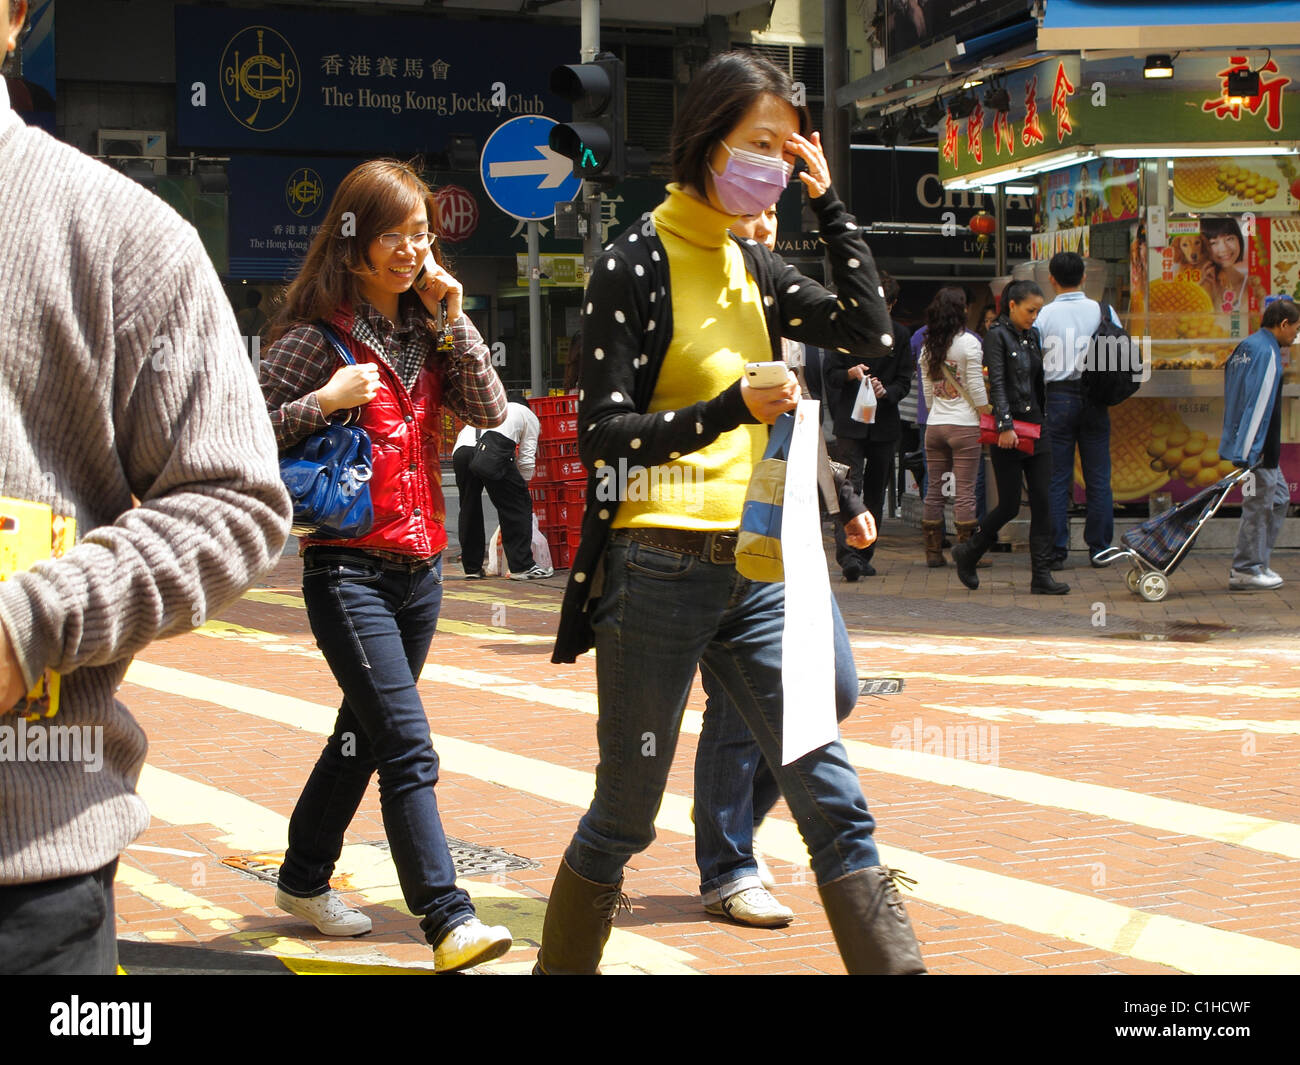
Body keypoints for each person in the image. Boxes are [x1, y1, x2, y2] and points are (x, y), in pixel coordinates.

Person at [539, 50, 925, 975]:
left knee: (833, 796)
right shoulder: (631, 261)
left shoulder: (756, 264)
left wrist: (832, 208)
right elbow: (603, 436)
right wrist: (727, 412)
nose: (776, 167)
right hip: (657, 563)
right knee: (625, 809)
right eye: (761, 145)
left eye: (787, 152)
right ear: (707, 142)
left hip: (762, 567)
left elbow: (872, 334)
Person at [0, 0, 292, 975]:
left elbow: (235, 500)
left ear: (14, 15)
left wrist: (24, 628)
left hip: (26, 876)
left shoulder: (124, 239)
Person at [259, 158, 514, 973]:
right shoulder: (310, 338)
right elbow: (240, 437)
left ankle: (301, 877)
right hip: (345, 569)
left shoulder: (425, 329)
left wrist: (455, 315)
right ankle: (448, 915)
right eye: (394, 235)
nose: (411, 251)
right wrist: (326, 402)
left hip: (422, 568)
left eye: (421, 236)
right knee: (407, 744)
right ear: (354, 241)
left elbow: (490, 412)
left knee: (363, 736)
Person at [687, 204, 863, 928]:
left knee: (837, 688)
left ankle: (733, 837)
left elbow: (805, 417)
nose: (761, 218)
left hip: (793, 523)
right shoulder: (700, 309)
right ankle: (727, 865)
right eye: (744, 203)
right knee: (739, 701)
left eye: (769, 206)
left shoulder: (795, 308)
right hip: (727, 529)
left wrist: (845, 496)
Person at [953, 280, 1069, 595]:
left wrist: (1040, 420)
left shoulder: (1033, 335)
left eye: (1038, 311)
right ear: (1013, 305)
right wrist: (1005, 424)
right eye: (1031, 310)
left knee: (1043, 501)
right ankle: (970, 551)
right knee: (1008, 505)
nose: (1035, 316)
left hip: (1037, 426)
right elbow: (1000, 382)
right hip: (1010, 428)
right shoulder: (997, 336)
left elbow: (1035, 382)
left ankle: (1041, 576)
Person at [825, 270, 915, 580]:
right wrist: (850, 373)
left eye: (885, 305)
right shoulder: (846, 333)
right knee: (849, 486)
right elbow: (830, 376)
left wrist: (886, 391)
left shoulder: (901, 336)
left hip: (884, 424)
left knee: (877, 491)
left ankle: (864, 554)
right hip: (850, 422)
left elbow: (905, 379)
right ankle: (848, 555)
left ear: (892, 305)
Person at [1036, 251, 1120, 570]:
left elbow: (1035, 361)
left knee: (1057, 478)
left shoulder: (1043, 316)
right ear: (1084, 277)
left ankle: (1057, 549)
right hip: (1096, 400)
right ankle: (1100, 548)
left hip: (1056, 398)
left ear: (1051, 279)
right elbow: (1119, 351)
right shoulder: (1104, 311)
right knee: (1098, 478)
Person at [1221, 298, 1299, 591]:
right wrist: (1250, 451)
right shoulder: (1267, 352)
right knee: (1258, 505)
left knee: (1277, 499)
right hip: (1259, 449)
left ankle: (1257, 562)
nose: (1295, 335)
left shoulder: (1247, 347)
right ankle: (1246, 568)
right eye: (1295, 328)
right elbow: (1259, 404)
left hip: (1256, 446)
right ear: (1283, 324)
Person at [919, 287, 987, 567]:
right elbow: (976, 386)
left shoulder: (928, 346)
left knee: (935, 489)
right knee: (965, 491)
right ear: (962, 311)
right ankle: (966, 555)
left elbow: (926, 389)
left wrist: (937, 412)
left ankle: (933, 553)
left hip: (935, 426)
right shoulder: (969, 344)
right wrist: (984, 413)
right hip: (965, 426)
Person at [452, 394, 552, 580]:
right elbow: (527, 457)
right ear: (526, 406)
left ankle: (472, 568)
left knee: (469, 508)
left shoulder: (490, 409)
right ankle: (521, 566)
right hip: (492, 451)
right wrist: (522, 485)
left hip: (461, 452)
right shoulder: (528, 415)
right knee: (516, 506)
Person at [1200, 217, 1264, 319]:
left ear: (1239, 239)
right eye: (1213, 243)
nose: (1224, 248)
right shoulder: (1199, 286)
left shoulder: (1253, 285)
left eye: (1229, 239)